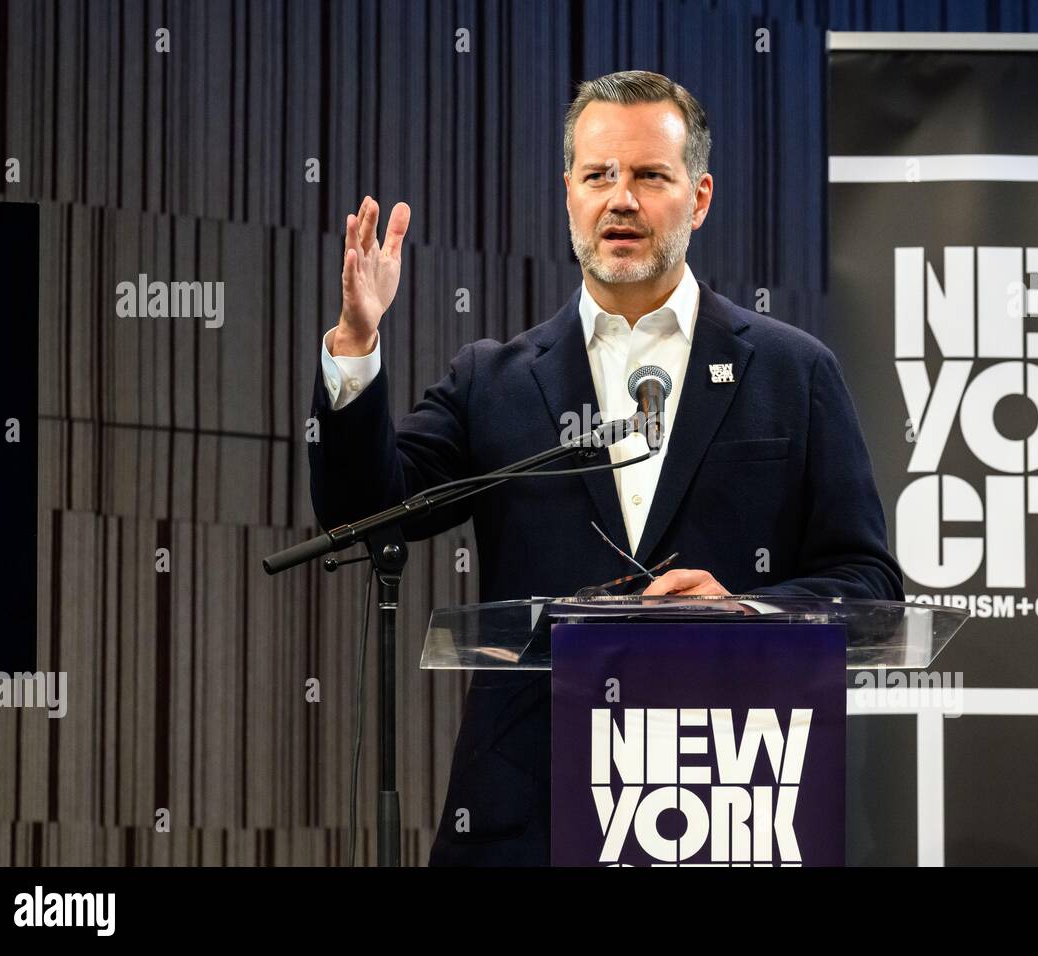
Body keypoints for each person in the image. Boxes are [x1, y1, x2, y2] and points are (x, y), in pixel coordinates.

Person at [308, 70, 903, 865]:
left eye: (650, 176)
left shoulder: (793, 371)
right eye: (598, 176)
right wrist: (357, 347)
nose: (620, 199)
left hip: (732, 797)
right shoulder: (495, 379)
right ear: (569, 194)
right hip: (532, 806)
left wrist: (746, 610)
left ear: (698, 197)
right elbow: (364, 506)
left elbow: (868, 584)